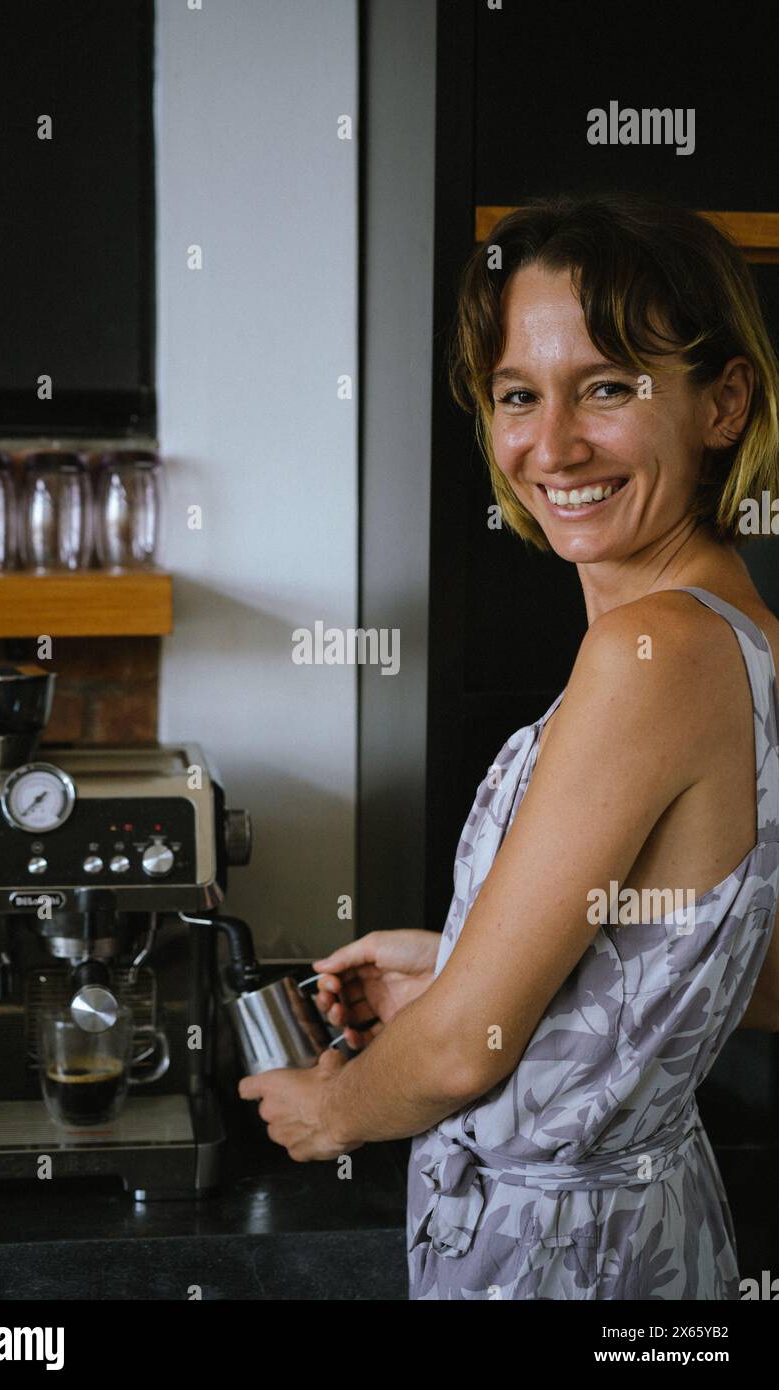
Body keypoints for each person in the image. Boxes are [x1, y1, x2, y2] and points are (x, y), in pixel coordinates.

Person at [238, 192, 779, 1299]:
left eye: (608, 388)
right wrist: (469, 960)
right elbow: (738, 977)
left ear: (722, 402)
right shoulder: (739, 638)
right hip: (647, 1239)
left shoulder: (651, 650)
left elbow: (456, 1054)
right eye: (517, 394)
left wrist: (327, 1110)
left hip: (556, 1262)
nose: (552, 443)